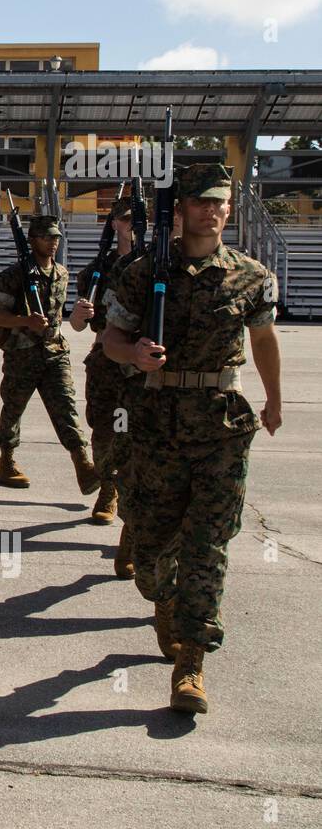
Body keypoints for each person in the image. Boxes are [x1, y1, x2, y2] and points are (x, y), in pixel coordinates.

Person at [103, 163, 281, 715]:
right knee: (153, 553)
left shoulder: (251, 276)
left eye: (220, 201)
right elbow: (111, 336)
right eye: (200, 201)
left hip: (221, 424)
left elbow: (264, 339)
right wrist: (132, 354)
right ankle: (167, 602)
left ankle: (191, 661)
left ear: (229, 209)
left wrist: (275, 398)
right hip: (155, 421)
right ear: (178, 210)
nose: (211, 210)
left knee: (208, 545)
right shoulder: (141, 271)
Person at [0, 211, 99, 495]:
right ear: (31, 240)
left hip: (54, 352)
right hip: (21, 353)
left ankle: (82, 463)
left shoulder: (62, 273)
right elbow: (0, 317)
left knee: (66, 407)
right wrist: (24, 321)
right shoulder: (12, 276)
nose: (52, 242)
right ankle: (7, 459)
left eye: (56, 237)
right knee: (13, 409)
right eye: (45, 237)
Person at [69, 196, 140, 543]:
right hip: (105, 363)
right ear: (114, 224)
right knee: (103, 431)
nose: (130, 224)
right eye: (124, 219)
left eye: (136, 218)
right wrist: (77, 317)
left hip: (141, 366)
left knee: (136, 435)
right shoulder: (96, 269)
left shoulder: (157, 263)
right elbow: (79, 325)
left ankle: (131, 506)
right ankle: (107, 489)